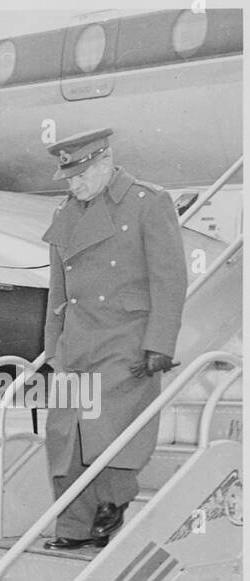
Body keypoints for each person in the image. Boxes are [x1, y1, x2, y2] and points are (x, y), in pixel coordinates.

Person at [41, 127, 187, 550]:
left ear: (105, 163)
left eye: (81, 174)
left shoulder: (147, 202)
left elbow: (169, 277)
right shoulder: (65, 214)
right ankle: (72, 526)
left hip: (126, 340)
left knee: (110, 427)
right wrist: (53, 349)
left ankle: (113, 501)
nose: (74, 184)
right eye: (68, 178)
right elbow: (58, 291)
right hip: (76, 342)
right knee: (65, 434)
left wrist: (161, 342)